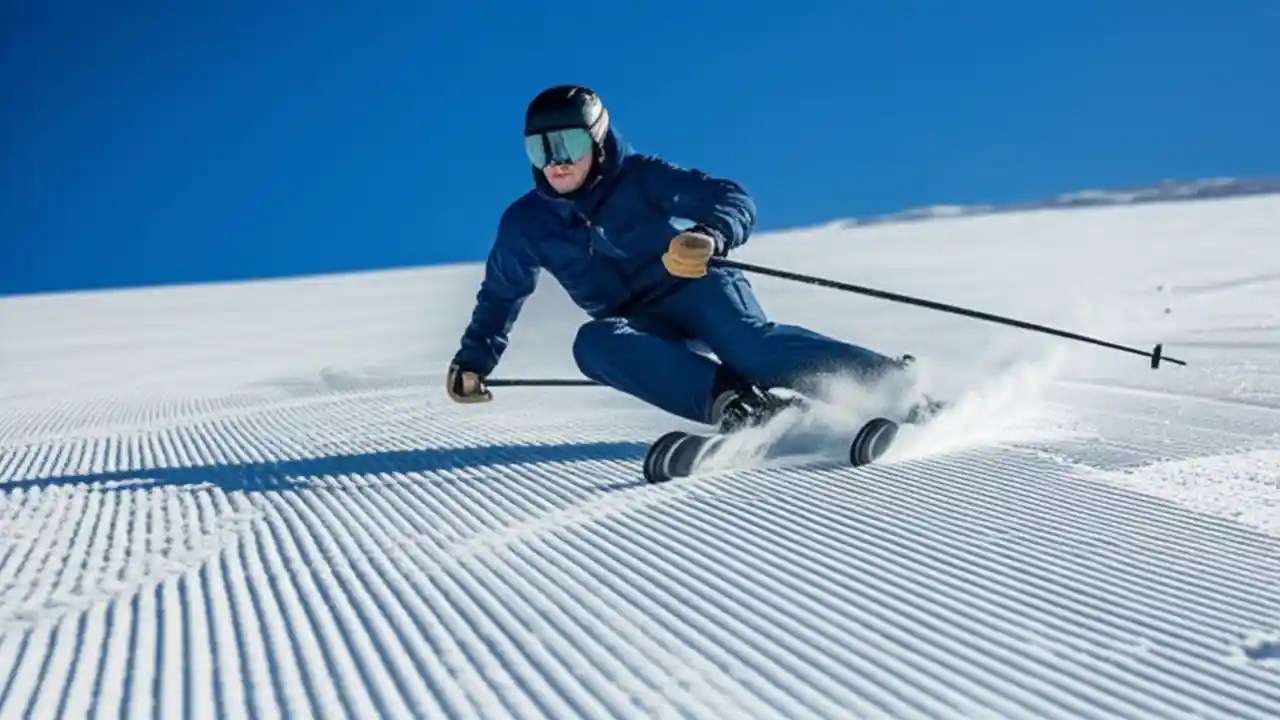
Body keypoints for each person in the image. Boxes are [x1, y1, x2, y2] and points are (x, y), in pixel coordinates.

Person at [447, 84, 917, 431]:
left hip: (697, 285)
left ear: (596, 140)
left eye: (566, 144)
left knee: (751, 350)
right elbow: (500, 295)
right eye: (540, 147)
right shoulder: (526, 222)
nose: (556, 161)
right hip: (638, 320)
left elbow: (731, 198)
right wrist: (473, 362)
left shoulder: (639, 177)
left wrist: (709, 236)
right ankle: (739, 408)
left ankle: (890, 386)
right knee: (594, 344)